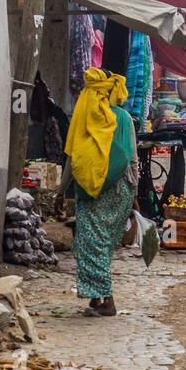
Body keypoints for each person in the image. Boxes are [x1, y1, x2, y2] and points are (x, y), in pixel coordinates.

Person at [64, 69, 139, 317]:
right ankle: (96, 297)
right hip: (122, 189)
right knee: (101, 243)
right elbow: (132, 159)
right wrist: (134, 194)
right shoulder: (125, 118)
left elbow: (73, 158)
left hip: (93, 191)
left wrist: (60, 192)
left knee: (91, 243)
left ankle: (107, 299)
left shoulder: (84, 117)